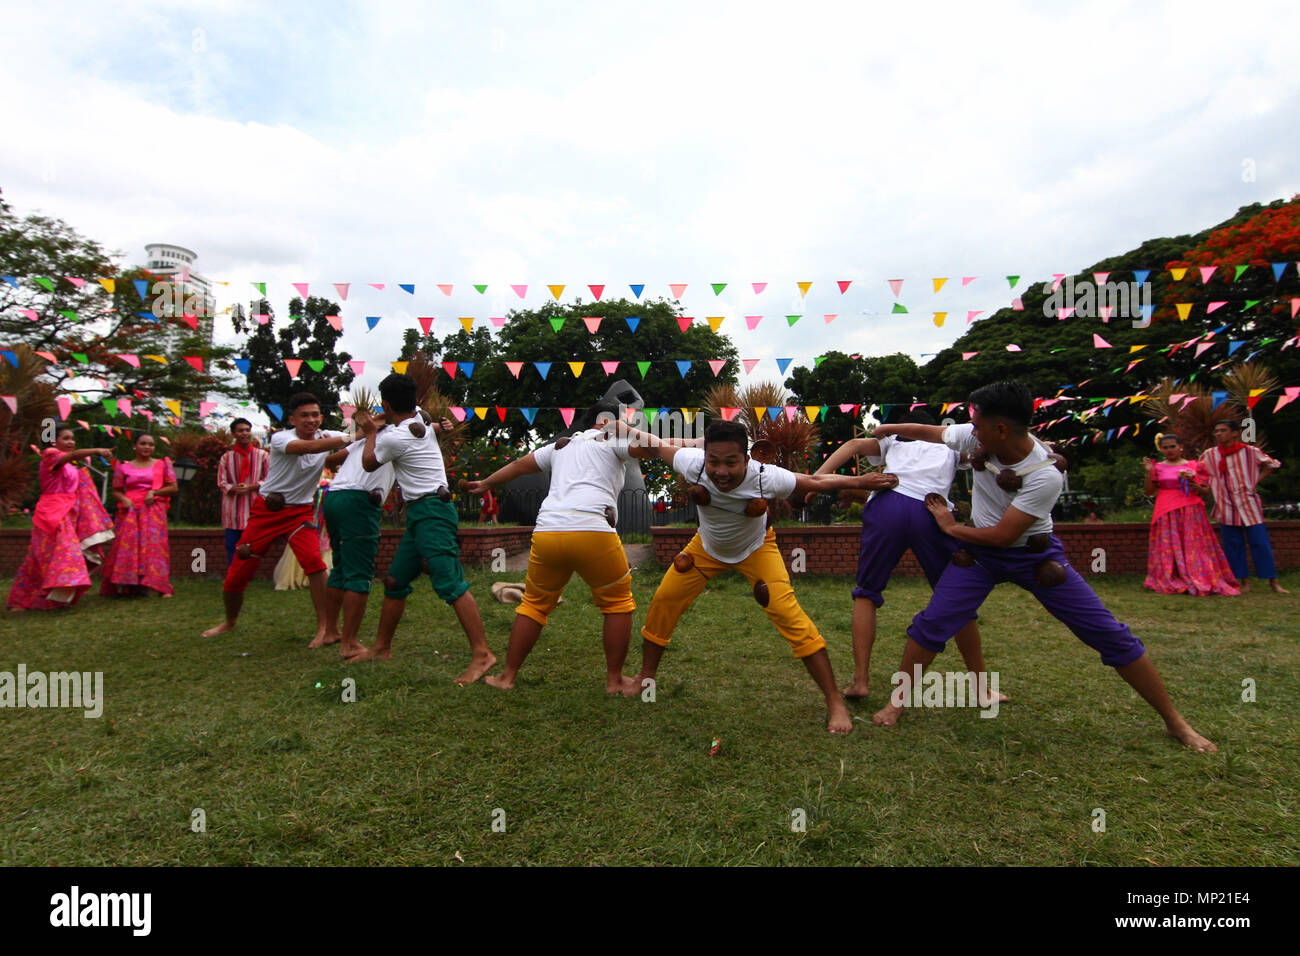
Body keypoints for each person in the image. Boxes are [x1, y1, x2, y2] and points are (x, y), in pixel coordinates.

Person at [868, 381, 1216, 753]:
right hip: (980, 558)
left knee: (1110, 635)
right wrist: (889, 429)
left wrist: (952, 528)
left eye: (978, 424)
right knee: (931, 624)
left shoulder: (1044, 474)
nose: (972, 431)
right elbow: (932, 432)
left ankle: (1175, 723)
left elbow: (1003, 536)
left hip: (1033, 556)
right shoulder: (975, 437)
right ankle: (897, 702)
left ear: (1001, 429)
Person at [622, 419, 898, 734]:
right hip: (705, 548)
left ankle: (835, 701)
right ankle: (646, 677)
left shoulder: (767, 478)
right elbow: (657, 445)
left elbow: (816, 482)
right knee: (663, 600)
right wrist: (625, 434)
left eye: (731, 462)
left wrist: (863, 482)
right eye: (714, 461)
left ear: (748, 459)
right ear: (705, 456)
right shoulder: (692, 464)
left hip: (757, 549)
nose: (721, 472)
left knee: (787, 613)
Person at [813, 409, 1001, 702]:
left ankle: (860, 681)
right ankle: (981, 688)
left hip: (888, 505)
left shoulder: (894, 444)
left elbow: (852, 446)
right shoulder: (949, 446)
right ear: (933, 427)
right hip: (931, 511)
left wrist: (817, 479)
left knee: (866, 592)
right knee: (958, 600)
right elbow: (985, 452)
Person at [463, 400, 650, 694]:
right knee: (617, 604)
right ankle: (614, 681)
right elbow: (651, 447)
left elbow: (517, 466)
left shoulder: (560, 447)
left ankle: (507, 677)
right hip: (593, 532)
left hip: (548, 531)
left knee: (534, 605)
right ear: (607, 422)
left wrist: (485, 483)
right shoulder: (612, 440)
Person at [348, 373, 495, 685]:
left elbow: (368, 463)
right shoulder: (421, 420)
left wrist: (371, 431)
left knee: (450, 583)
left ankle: (483, 654)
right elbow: (421, 417)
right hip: (422, 512)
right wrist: (383, 420)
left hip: (431, 512)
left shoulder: (392, 437)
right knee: (394, 580)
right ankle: (381, 647)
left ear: (386, 404)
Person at [201, 392, 351, 642]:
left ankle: (326, 628)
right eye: (304, 415)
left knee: (315, 564)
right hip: (266, 513)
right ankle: (229, 621)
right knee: (237, 573)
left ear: (322, 417)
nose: (310, 420)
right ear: (292, 419)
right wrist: (354, 436)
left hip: (300, 512)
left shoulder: (328, 436)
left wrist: (377, 424)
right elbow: (309, 448)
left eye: (315, 415)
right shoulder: (282, 438)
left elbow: (342, 447)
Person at [6, 429, 113, 611]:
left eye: (72, 438)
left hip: (68, 512)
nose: (71, 442)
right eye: (65, 438)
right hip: (52, 513)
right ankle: (23, 601)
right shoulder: (50, 455)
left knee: (51, 556)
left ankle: (49, 599)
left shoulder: (70, 466)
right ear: (53, 442)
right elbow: (73, 455)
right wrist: (96, 450)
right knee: (49, 556)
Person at [319, 425, 396, 660]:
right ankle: (349, 643)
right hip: (359, 500)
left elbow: (333, 461)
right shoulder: (398, 433)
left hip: (334, 497)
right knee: (360, 574)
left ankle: (330, 631)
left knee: (341, 568)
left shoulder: (371, 434)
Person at [1142, 433, 1239, 596]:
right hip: (1166, 510)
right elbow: (1150, 491)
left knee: (1194, 544)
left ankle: (1199, 574)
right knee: (1168, 545)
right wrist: (1148, 472)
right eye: (1165, 448)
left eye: (1172, 446)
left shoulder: (1195, 465)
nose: (1169, 450)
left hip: (1190, 509)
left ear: (1181, 447)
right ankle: (1171, 575)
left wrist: (1195, 485)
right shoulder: (1157, 467)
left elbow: (1206, 492)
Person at [1199, 419, 1287, 594]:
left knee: (1261, 544)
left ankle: (1273, 582)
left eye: (1223, 430)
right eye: (1216, 431)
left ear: (1235, 432)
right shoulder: (1209, 454)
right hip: (1226, 506)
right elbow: (1200, 473)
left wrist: (1255, 481)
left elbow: (1273, 464)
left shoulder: (1250, 452)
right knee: (1233, 546)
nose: (1218, 434)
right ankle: (1243, 582)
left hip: (1249, 506)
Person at [100, 433, 178, 598]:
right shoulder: (123, 467)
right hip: (130, 511)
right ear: (135, 446)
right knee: (127, 547)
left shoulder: (162, 464)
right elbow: (116, 490)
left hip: (153, 509)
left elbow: (173, 488)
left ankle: (156, 586)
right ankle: (128, 584)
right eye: (143, 443)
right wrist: (124, 499)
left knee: (153, 547)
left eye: (150, 444)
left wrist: (155, 492)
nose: (147, 447)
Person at [217, 418, 270, 568]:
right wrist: (235, 488)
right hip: (233, 509)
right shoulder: (226, 457)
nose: (245, 433)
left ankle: (248, 574)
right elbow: (221, 482)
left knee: (252, 544)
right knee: (231, 545)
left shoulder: (263, 456)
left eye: (247, 430)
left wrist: (251, 487)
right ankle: (232, 572)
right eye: (241, 431)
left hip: (254, 507)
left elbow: (270, 480)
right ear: (234, 434)